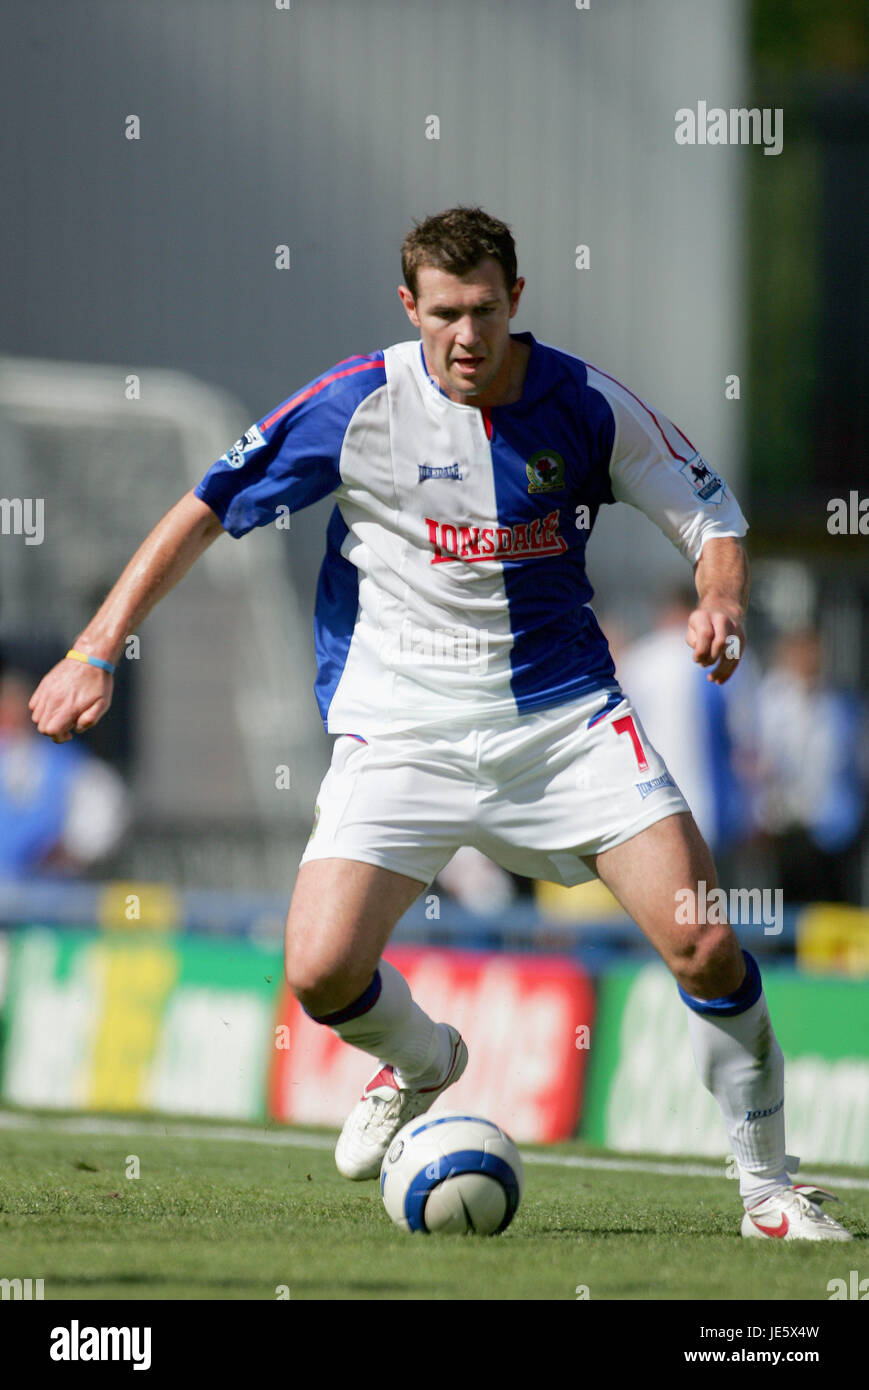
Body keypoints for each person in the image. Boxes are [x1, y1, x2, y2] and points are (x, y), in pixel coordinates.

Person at [29, 206, 850, 1240]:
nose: (466, 336)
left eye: (486, 310)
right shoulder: (355, 404)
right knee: (320, 971)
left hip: (562, 723)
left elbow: (709, 514)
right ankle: (426, 1059)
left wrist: (718, 598)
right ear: (408, 307)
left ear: (517, 300)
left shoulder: (583, 403)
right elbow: (205, 504)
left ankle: (765, 1186)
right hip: (400, 729)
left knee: (705, 940)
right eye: (444, 314)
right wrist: (95, 646)